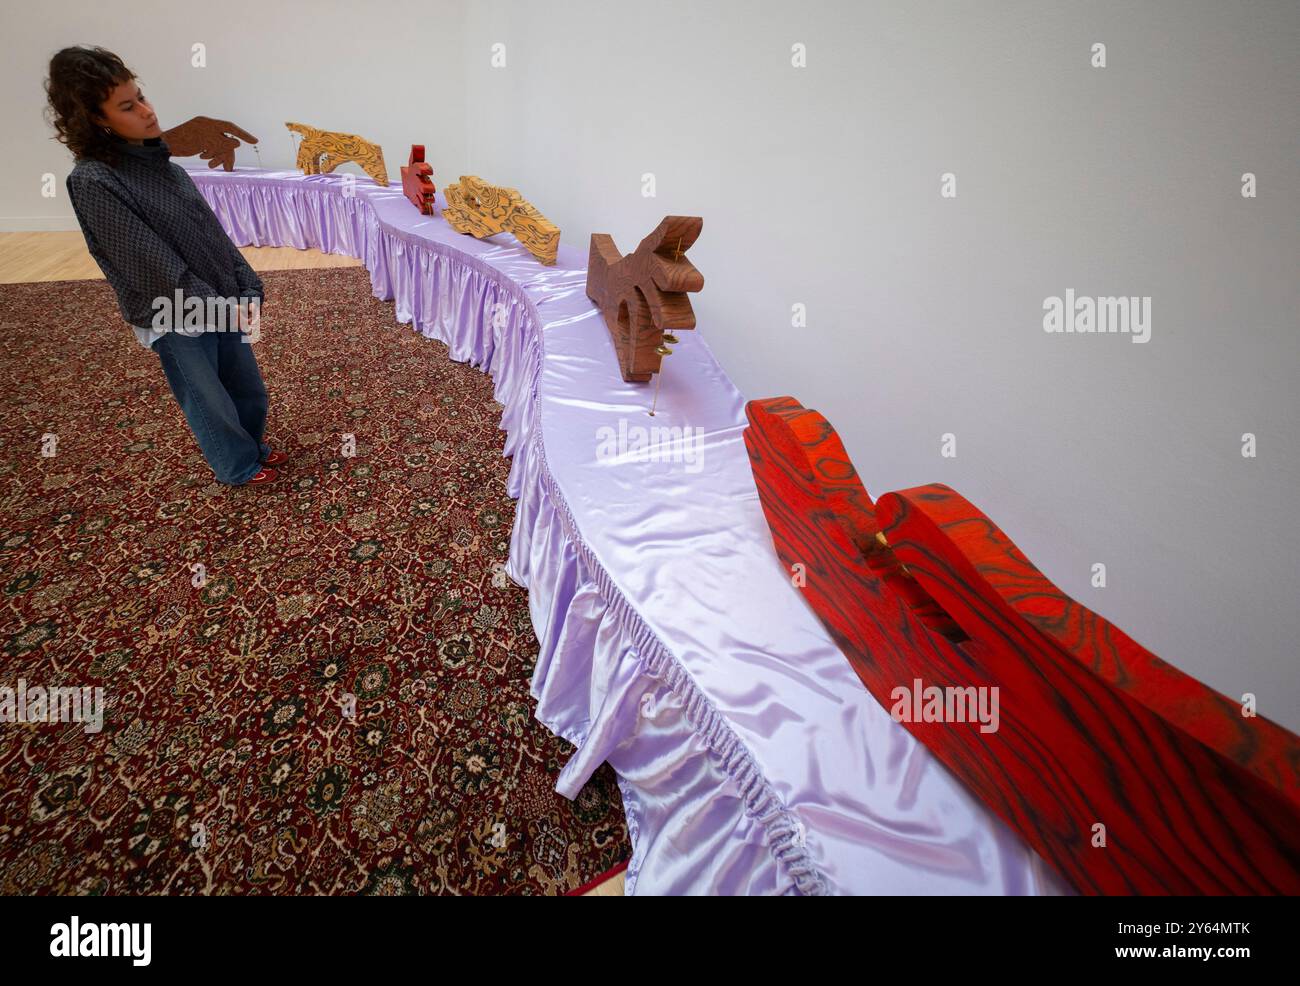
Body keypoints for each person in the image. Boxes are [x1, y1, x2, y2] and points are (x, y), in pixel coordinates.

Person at [46, 45, 286, 486]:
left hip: (217, 299)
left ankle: (253, 445)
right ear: (97, 120)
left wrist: (246, 285)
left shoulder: (164, 166)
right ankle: (238, 465)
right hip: (173, 311)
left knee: (247, 388)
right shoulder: (95, 179)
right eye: (127, 106)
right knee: (208, 398)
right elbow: (149, 265)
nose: (147, 110)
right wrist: (217, 306)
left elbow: (212, 234)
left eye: (140, 96)